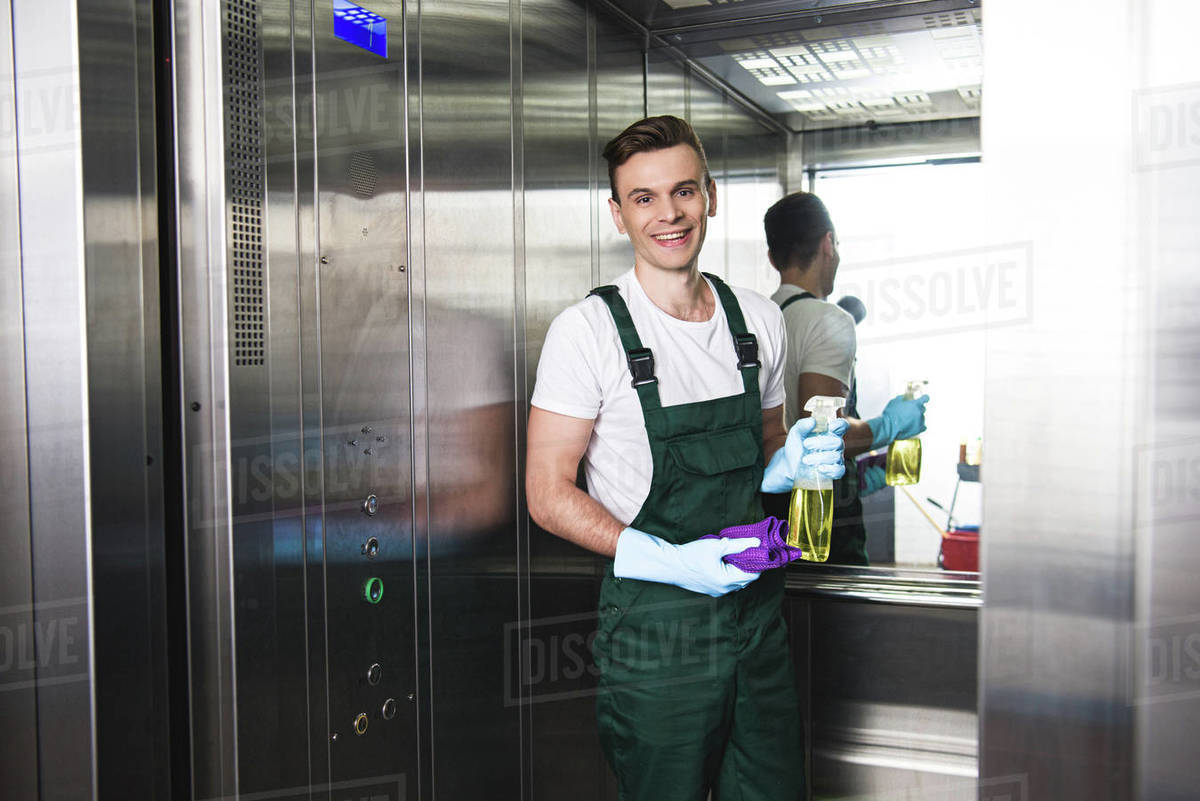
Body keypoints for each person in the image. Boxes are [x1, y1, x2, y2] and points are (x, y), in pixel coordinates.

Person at [525, 116, 847, 800]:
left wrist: (791, 463)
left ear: (711, 195)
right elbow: (547, 493)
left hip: (759, 619)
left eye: (683, 191)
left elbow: (762, 452)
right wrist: (668, 560)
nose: (668, 214)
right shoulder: (587, 332)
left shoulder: (756, 321)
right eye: (643, 198)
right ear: (618, 212)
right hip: (657, 634)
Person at [763, 192, 929, 564]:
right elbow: (821, 434)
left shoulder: (759, 319)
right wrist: (887, 427)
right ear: (828, 244)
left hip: (767, 521)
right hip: (821, 525)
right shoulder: (829, 320)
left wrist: (863, 466)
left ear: (773, 258)